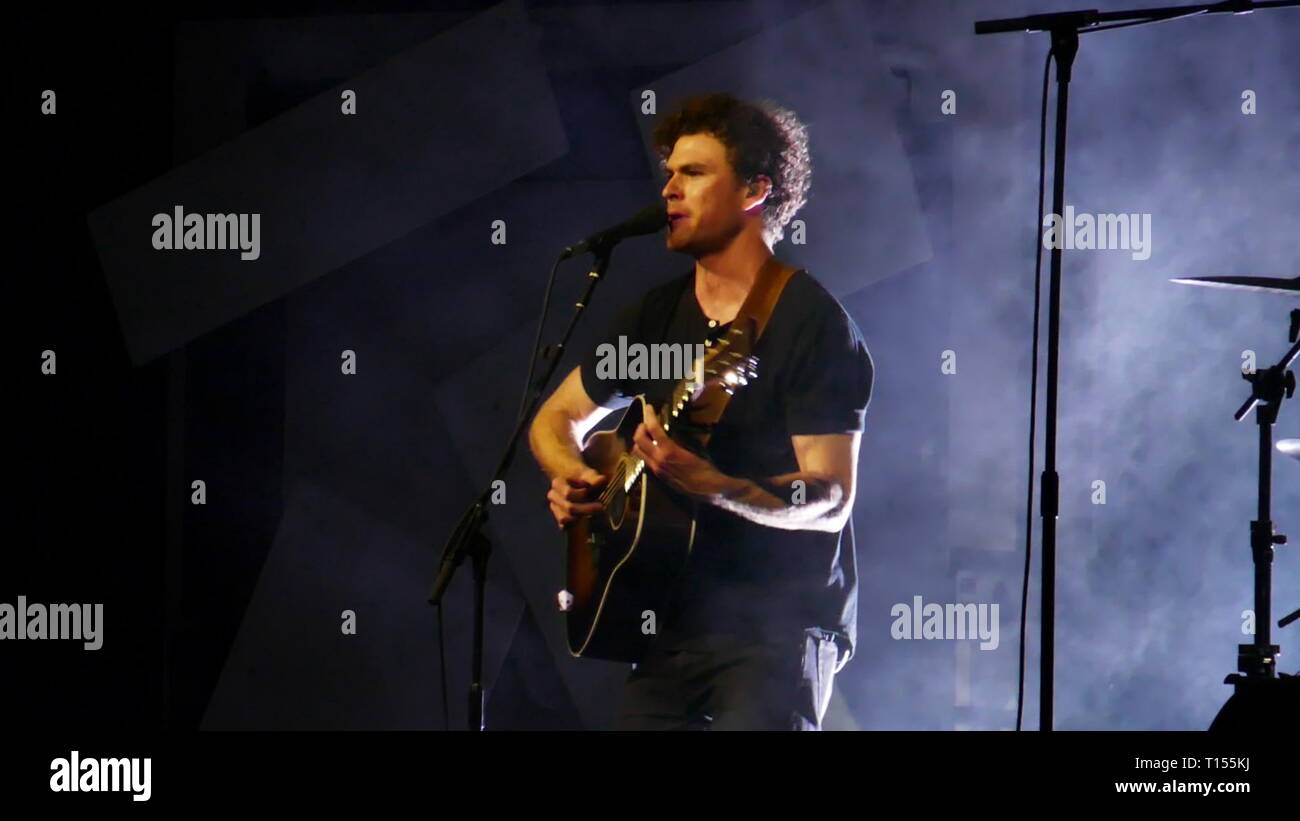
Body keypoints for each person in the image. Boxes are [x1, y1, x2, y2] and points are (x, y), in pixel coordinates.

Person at [528, 92, 873, 730]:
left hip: (776, 627)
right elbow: (555, 420)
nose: (669, 190)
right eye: (669, 173)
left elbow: (830, 498)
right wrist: (574, 477)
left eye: (694, 172)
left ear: (754, 190)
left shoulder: (808, 322)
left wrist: (715, 487)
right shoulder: (658, 318)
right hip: (665, 621)